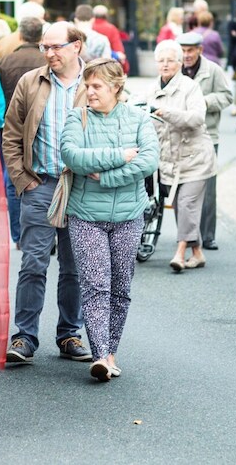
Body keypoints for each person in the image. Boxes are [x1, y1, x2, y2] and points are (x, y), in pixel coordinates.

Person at [60, 59, 158, 381]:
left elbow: (148, 161)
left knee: (121, 287)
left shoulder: (139, 119)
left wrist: (105, 177)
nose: (89, 92)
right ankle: (100, 354)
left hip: (129, 215)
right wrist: (119, 156)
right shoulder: (78, 118)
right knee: (95, 285)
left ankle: (111, 349)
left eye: (96, 86)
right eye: (87, 86)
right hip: (86, 215)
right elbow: (72, 156)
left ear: (116, 87)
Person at [2, 22, 91, 364]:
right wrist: (23, 180)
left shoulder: (94, 82)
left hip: (81, 188)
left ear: (76, 46)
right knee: (33, 263)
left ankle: (69, 334)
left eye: (56, 47)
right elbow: (11, 135)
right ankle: (25, 336)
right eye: (45, 47)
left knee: (73, 266)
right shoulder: (31, 82)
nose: (50, 53)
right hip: (40, 184)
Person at [142, 40, 216, 273]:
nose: (165, 64)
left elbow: (196, 119)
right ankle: (197, 253)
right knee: (180, 205)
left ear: (179, 63)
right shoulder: (151, 90)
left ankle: (179, 252)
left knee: (185, 203)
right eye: (161, 60)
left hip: (195, 158)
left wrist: (168, 113)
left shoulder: (189, 87)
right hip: (169, 161)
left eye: (170, 60)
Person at [178, 31, 232, 251]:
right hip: (179, 135)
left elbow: (227, 96)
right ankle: (186, 235)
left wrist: (204, 102)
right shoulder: (175, 69)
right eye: (182, 51)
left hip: (207, 135)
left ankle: (207, 235)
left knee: (208, 188)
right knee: (181, 188)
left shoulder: (213, 70)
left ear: (200, 50)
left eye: (190, 50)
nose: (186, 55)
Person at [0, 16, 46, 247]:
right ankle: (47, 229)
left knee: (12, 176)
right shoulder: (47, 60)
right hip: (43, 124)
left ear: (21, 35)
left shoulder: (7, 61)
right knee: (45, 173)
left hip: (12, 123)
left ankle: (18, 233)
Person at [91, 5, 129, 74]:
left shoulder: (90, 27)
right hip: (107, 65)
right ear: (106, 15)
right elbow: (118, 49)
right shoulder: (111, 28)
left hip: (91, 65)